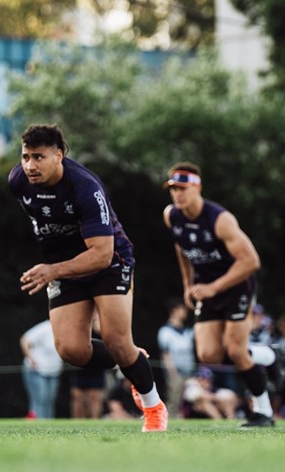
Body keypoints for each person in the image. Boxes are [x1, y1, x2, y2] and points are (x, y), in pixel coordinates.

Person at [9, 124, 167, 432]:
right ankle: (134, 360)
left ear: (60, 154)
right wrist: (57, 264)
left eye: (39, 157)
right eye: (26, 156)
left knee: (117, 340)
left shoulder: (85, 187)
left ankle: (153, 408)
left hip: (109, 262)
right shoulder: (18, 180)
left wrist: (52, 269)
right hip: (66, 268)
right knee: (70, 350)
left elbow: (101, 254)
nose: (30, 165)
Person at [162, 161, 274, 427]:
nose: (178, 194)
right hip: (206, 288)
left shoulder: (219, 219)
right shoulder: (172, 216)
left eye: (183, 188)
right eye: (173, 189)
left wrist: (213, 287)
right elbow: (182, 249)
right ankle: (267, 355)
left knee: (235, 350)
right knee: (209, 355)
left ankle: (264, 412)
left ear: (197, 187)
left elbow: (250, 261)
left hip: (236, 287)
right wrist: (188, 285)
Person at [157, 299, 196, 418]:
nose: (184, 312)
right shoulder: (165, 331)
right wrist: (172, 372)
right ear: (173, 311)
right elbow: (165, 354)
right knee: (174, 399)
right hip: (175, 371)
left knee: (189, 399)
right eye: (181, 309)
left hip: (189, 371)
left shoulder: (187, 331)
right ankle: (169, 420)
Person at [20, 319, 64, 419]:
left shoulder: (64, 330)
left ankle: (48, 428)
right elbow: (24, 340)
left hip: (53, 372)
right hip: (37, 371)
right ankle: (37, 427)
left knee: (49, 401)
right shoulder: (44, 328)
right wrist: (30, 358)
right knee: (39, 400)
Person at [69, 312, 107, 419]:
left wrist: (97, 326)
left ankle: (95, 421)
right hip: (81, 364)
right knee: (77, 396)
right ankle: (77, 421)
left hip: (97, 364)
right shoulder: (80, 324)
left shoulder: (102, 326)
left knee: (95, 396)